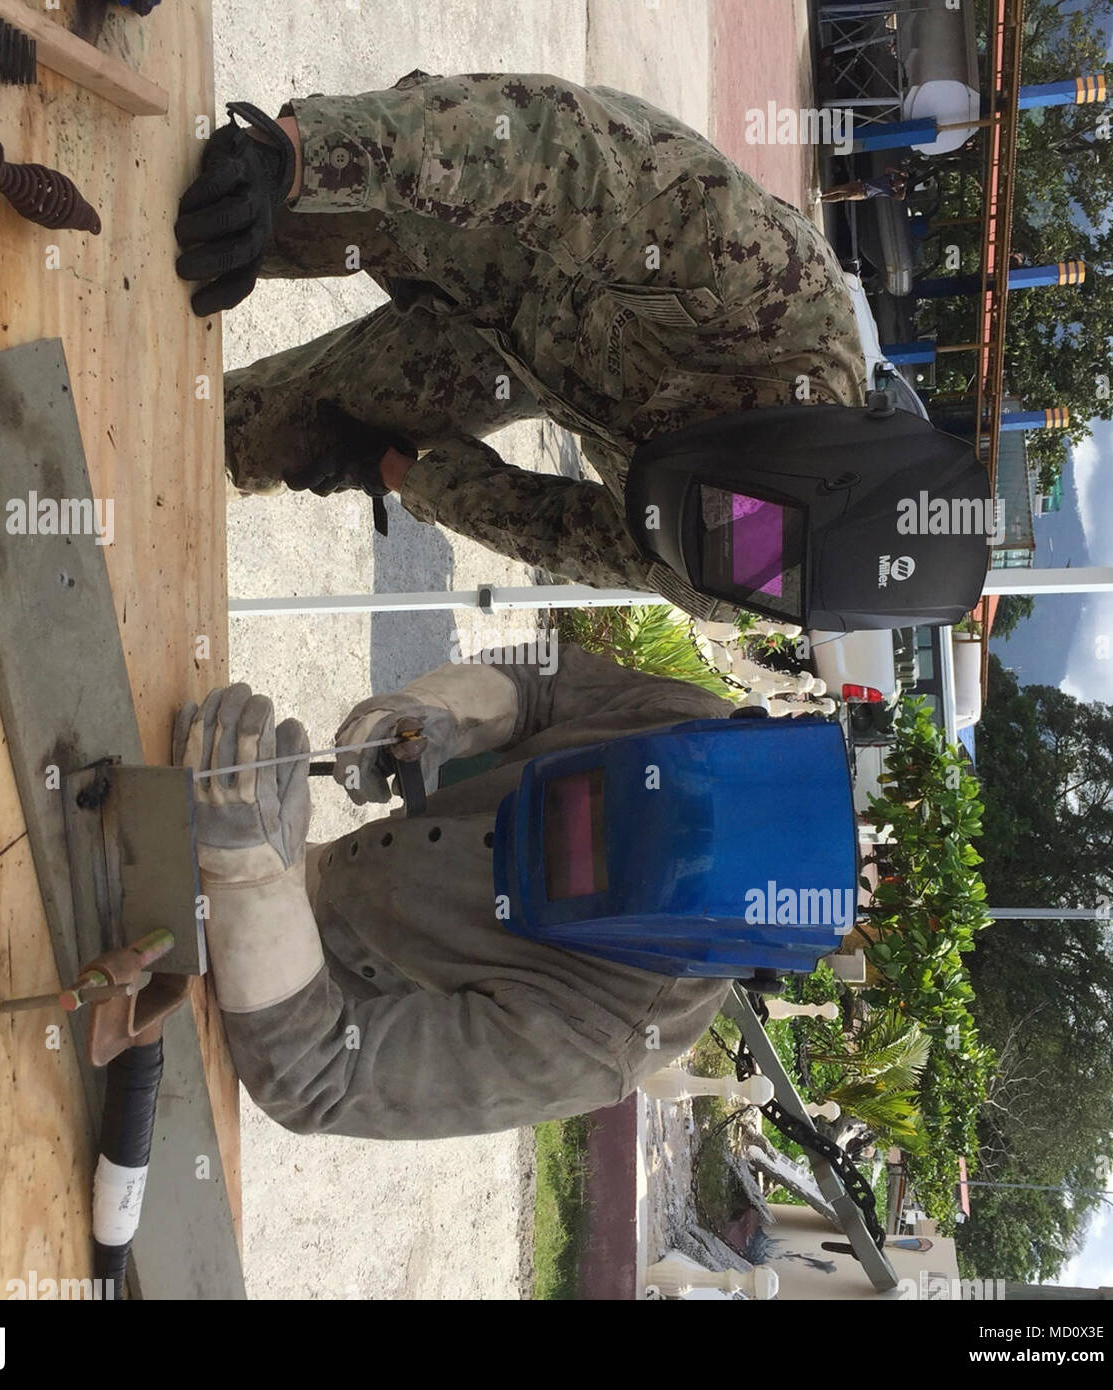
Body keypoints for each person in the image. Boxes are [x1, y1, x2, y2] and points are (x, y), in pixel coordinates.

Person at [173, 72, 867, 621]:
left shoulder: (741, 571)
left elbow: (554, 528)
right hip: (504, 206)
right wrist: (295, 157)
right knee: (222, 211)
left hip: (532, 367)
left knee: (266, 436)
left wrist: (391, 468)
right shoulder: (778, 295)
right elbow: (563, 150)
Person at [174, 643, 742, 1139]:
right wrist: (438, 711)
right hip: (285, 872)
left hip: (223, 1003)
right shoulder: (697, 729)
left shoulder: (607, 1036)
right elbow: (541, 681)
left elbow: (320, 1079)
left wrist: (249, 879)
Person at [814, 166, 908, 205]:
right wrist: (899, 172)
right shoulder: (889, 177)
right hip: (861, 184)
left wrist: (904, 187)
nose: (898, 182)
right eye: (899, 180)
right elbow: (887, 168)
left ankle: (821, 199)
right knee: (840, 188)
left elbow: (900, 198)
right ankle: (822, 193)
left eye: (900, 184)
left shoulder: (890, 191)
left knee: (844, 196)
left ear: (899, 187)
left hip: (864, 194)